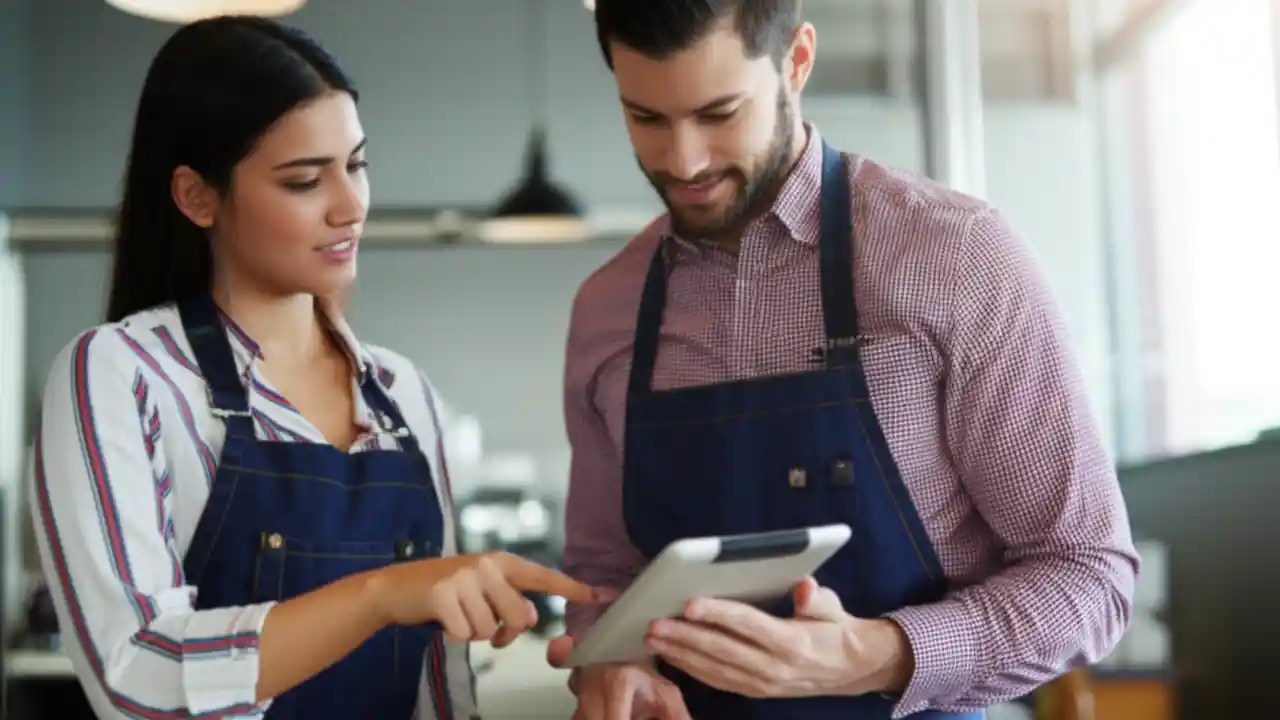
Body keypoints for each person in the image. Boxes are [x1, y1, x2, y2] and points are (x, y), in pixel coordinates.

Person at [547, 1, 1141, 718]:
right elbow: (603, 577)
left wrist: (875, 655)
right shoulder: (605, 310)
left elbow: (1088, 577)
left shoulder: (954, 257)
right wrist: (607, 662)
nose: (685, 160)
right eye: (646, 119)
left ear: (796, 60)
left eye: (720, 113)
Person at [27, 15, 602, 720]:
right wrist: (382, 593)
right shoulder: (122, 376)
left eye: (356, 165)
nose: (351, 206)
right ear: (196, 196)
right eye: (304, 181)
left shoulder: (403, 395)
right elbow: (135, 674)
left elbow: (439, 682)